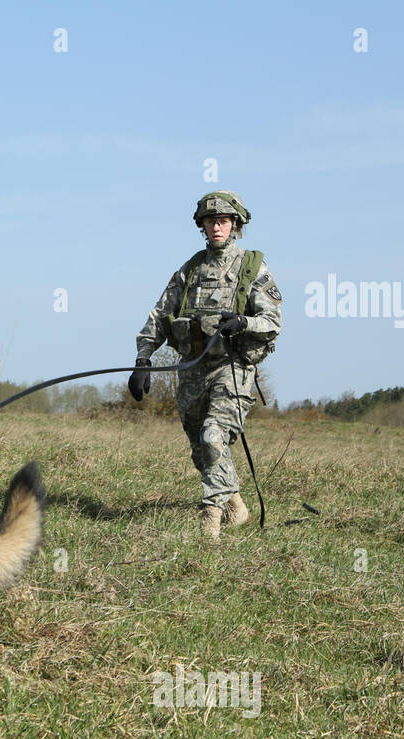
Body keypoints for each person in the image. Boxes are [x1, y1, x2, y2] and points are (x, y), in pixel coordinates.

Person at [128, 191, 282, 538]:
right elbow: (160, 315)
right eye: (211, 221)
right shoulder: (190, 269)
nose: (217, 226)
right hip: (192, 369)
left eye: (224, 221)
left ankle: (209, 523)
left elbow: (273, 321)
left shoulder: (251, 269)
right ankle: (236, 506)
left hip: (233, 369)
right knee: (202, 448)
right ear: (202, 226)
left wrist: (244, 323)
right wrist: (143, 359)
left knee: (214, 437)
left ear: (235, 225)